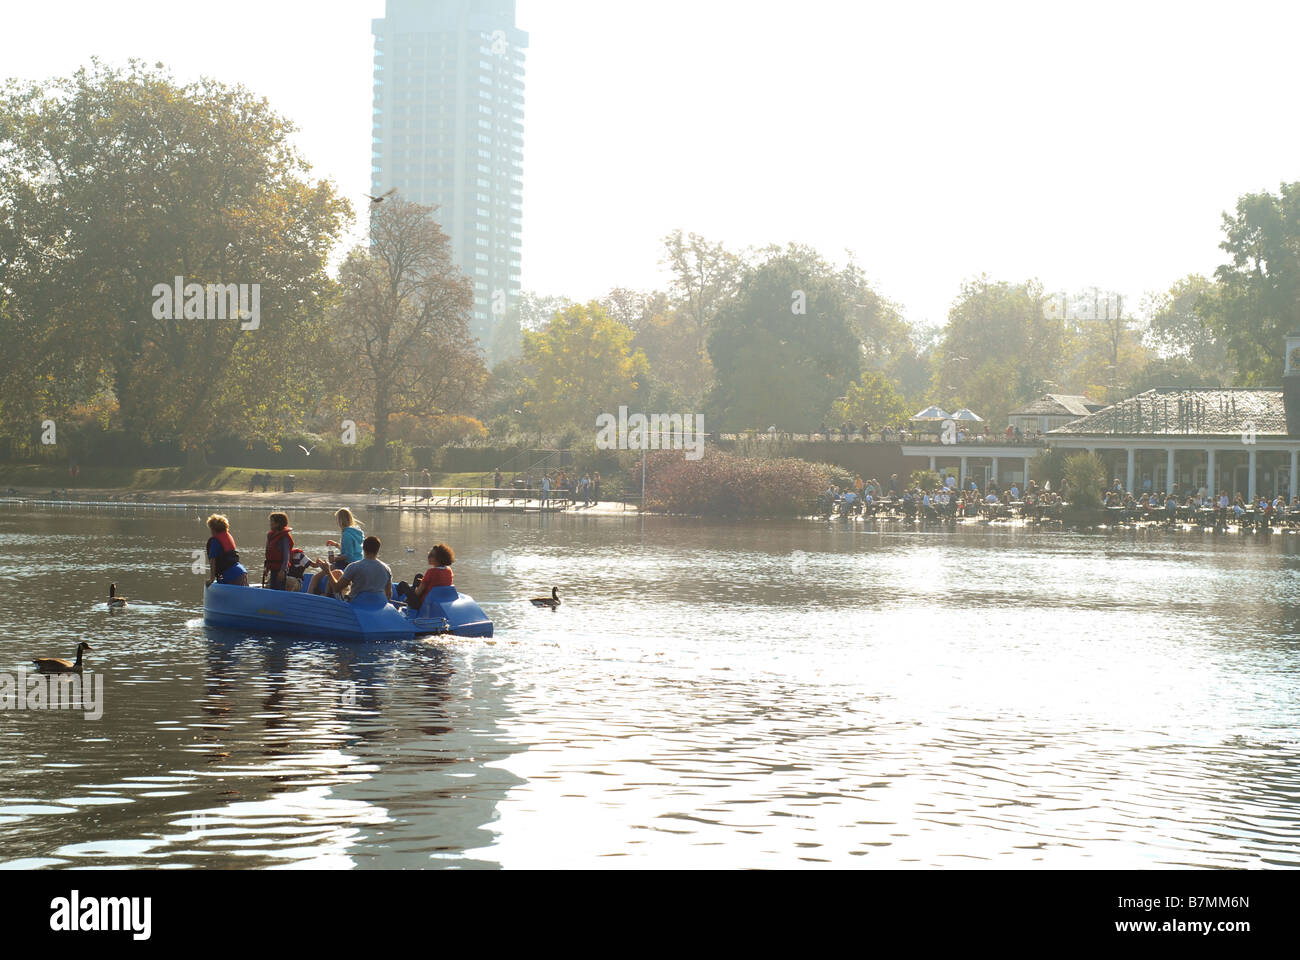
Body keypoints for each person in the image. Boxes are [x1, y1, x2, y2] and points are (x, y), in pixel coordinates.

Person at [316, 535, 392, 601]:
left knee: (330, 592)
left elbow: (336, 588)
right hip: (377, 603)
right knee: (345, 583)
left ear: (363, 549)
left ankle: (326, 597)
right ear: (378, 550)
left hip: (356, 602)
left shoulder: (354, 567)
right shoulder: (387, 569)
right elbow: (388, 595)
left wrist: (328, 571)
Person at [312, 508, 365, 595]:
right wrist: (336, 544)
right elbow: (351, 549)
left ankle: (313, 596)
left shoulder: (346, 534)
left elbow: (349, 555)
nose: (337, 522)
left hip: (347, 564)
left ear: (340, 521)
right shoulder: (355, 532)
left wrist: (335, 559)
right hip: (358, 562)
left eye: (337, 520)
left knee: (316, 577)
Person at [399, 542, 455, 612]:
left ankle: (399, 603)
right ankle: (407, 599)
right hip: (438, 600)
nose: (428, 556)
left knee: (403, 584)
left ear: (439, 558)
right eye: (429, 554)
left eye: (431, 555)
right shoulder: (449, 570)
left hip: (423, 603)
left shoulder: (431, 572)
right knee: (418, 576)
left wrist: (411, 591)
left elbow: (418, 593)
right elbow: (438, 583)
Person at [205, 514, 249, 587]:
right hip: (241, 572)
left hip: (231, 575)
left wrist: (211, 580)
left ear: (213, 528)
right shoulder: (227, 536)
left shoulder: (215, 541)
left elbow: (213, 560)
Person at [264, 512, 294, 590]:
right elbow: (268, 553)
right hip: (273, 567)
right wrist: (267, 568)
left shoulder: (284, 537)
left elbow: (286, 556)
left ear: (278, 523)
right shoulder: (271, 535)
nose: (270, 524)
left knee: (279, 587)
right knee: (272, 587)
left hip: (280, 569)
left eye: (272, 522)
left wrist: (282, 570)